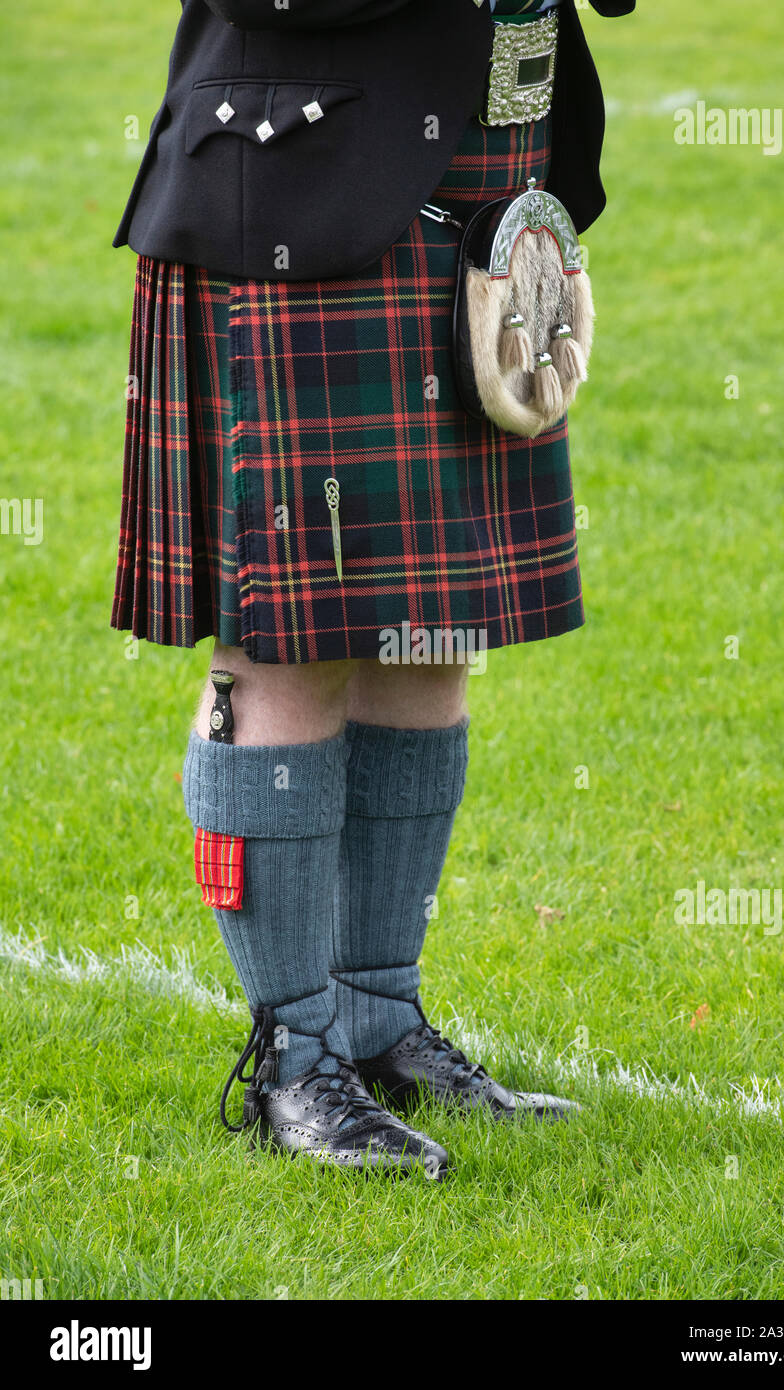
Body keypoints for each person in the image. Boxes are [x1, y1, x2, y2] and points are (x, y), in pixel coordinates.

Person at [110, 0, 636, 1179]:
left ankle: (379, 1021)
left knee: (429, 635)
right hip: (302, 189)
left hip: (488, 203)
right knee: (286, 648)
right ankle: (293, 1060)